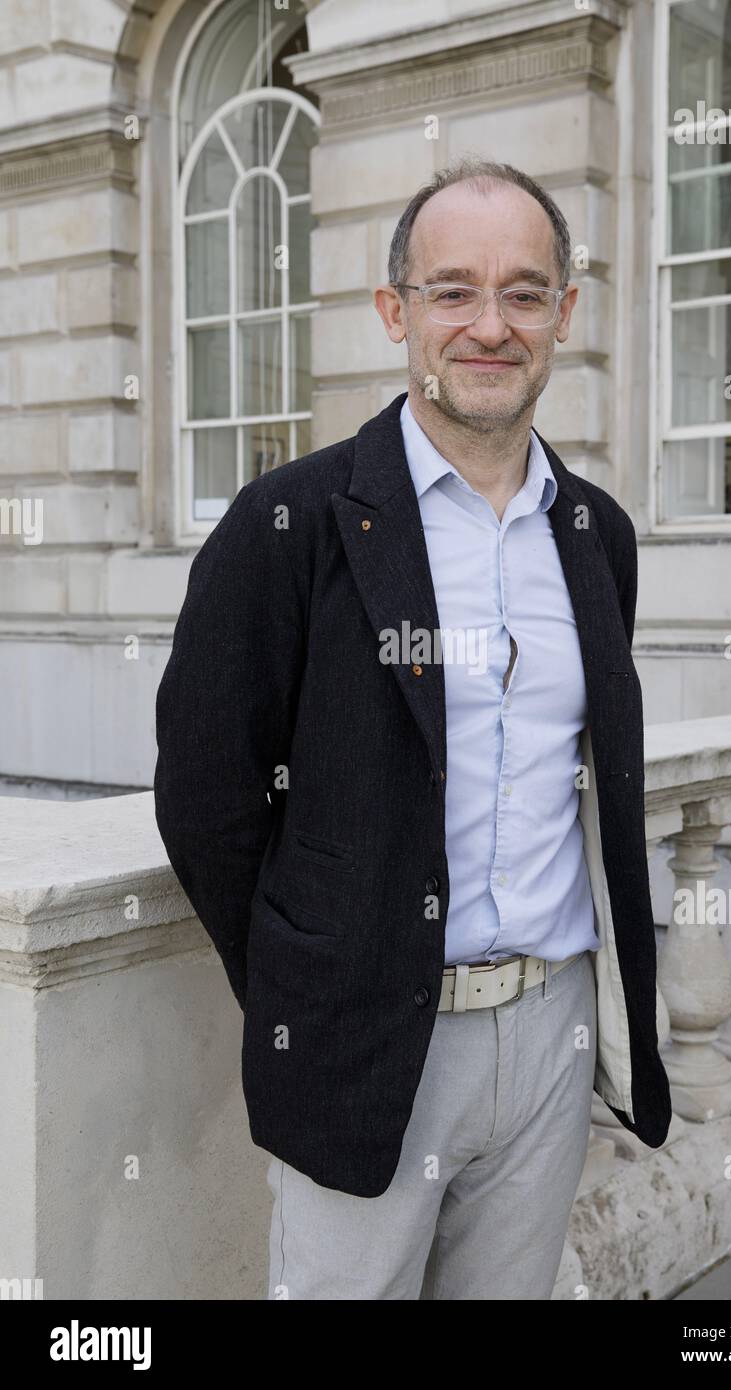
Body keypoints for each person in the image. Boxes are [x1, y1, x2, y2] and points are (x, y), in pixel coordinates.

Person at [154, 157, 671, 1301]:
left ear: (562, 316)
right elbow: (206, 796)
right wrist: (318, 977)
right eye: (451, 290)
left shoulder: (597, 534)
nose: (489, 325)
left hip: (549, 1036)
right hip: (363, 1043)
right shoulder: (284, 525)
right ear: (396, 312)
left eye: (524, 293)